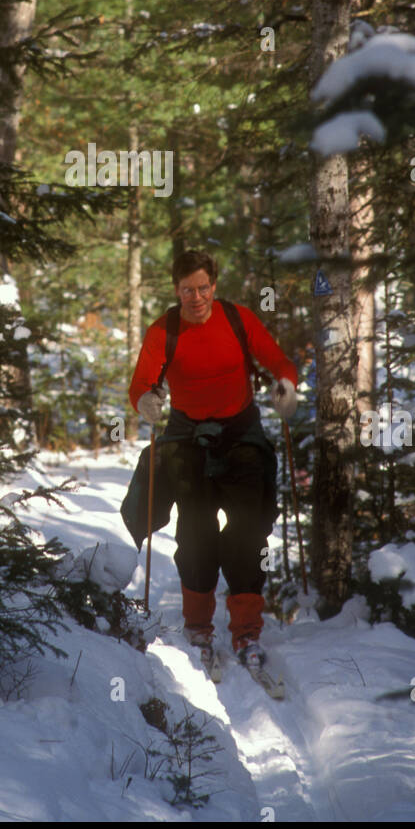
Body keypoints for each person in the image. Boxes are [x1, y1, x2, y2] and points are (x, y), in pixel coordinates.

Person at [128, 249, 298, 674]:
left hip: (241, 432)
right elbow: (140, 386)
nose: (197, 297)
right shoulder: (163, 330)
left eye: (203, 287)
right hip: (188, 435)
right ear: (176, 290)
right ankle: (198, 627)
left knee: (248, 529)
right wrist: (147, 401)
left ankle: (246, 630)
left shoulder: (238, 319)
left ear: (214, 286)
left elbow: (278, 360)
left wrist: (286, 384)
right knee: (197, 531)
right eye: (188, 289)